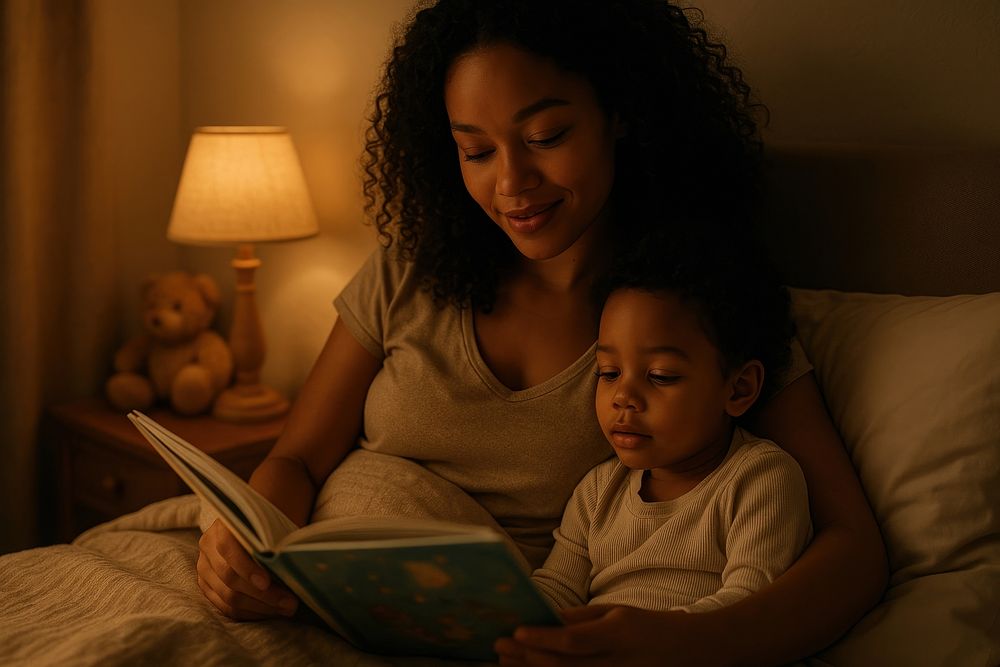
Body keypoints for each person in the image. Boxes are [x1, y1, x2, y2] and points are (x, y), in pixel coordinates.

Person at [197, 1, 888, 664]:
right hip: (335, 598)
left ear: (619, 112)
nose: (511, 183)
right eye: (476, 151)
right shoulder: (408, 271)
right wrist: (241, 545)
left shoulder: (692, 305)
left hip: (512, 631)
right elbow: (296, 461)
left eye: (546, 137)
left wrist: (690, 643)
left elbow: (852, 549)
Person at [531, 236, 813, 613]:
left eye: (661, 376)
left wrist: (642, 635)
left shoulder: (759, 479)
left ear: (739, 388)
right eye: (609, 372)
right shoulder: (597, 492)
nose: (622, 396)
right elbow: (558, 589)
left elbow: (748, 602)